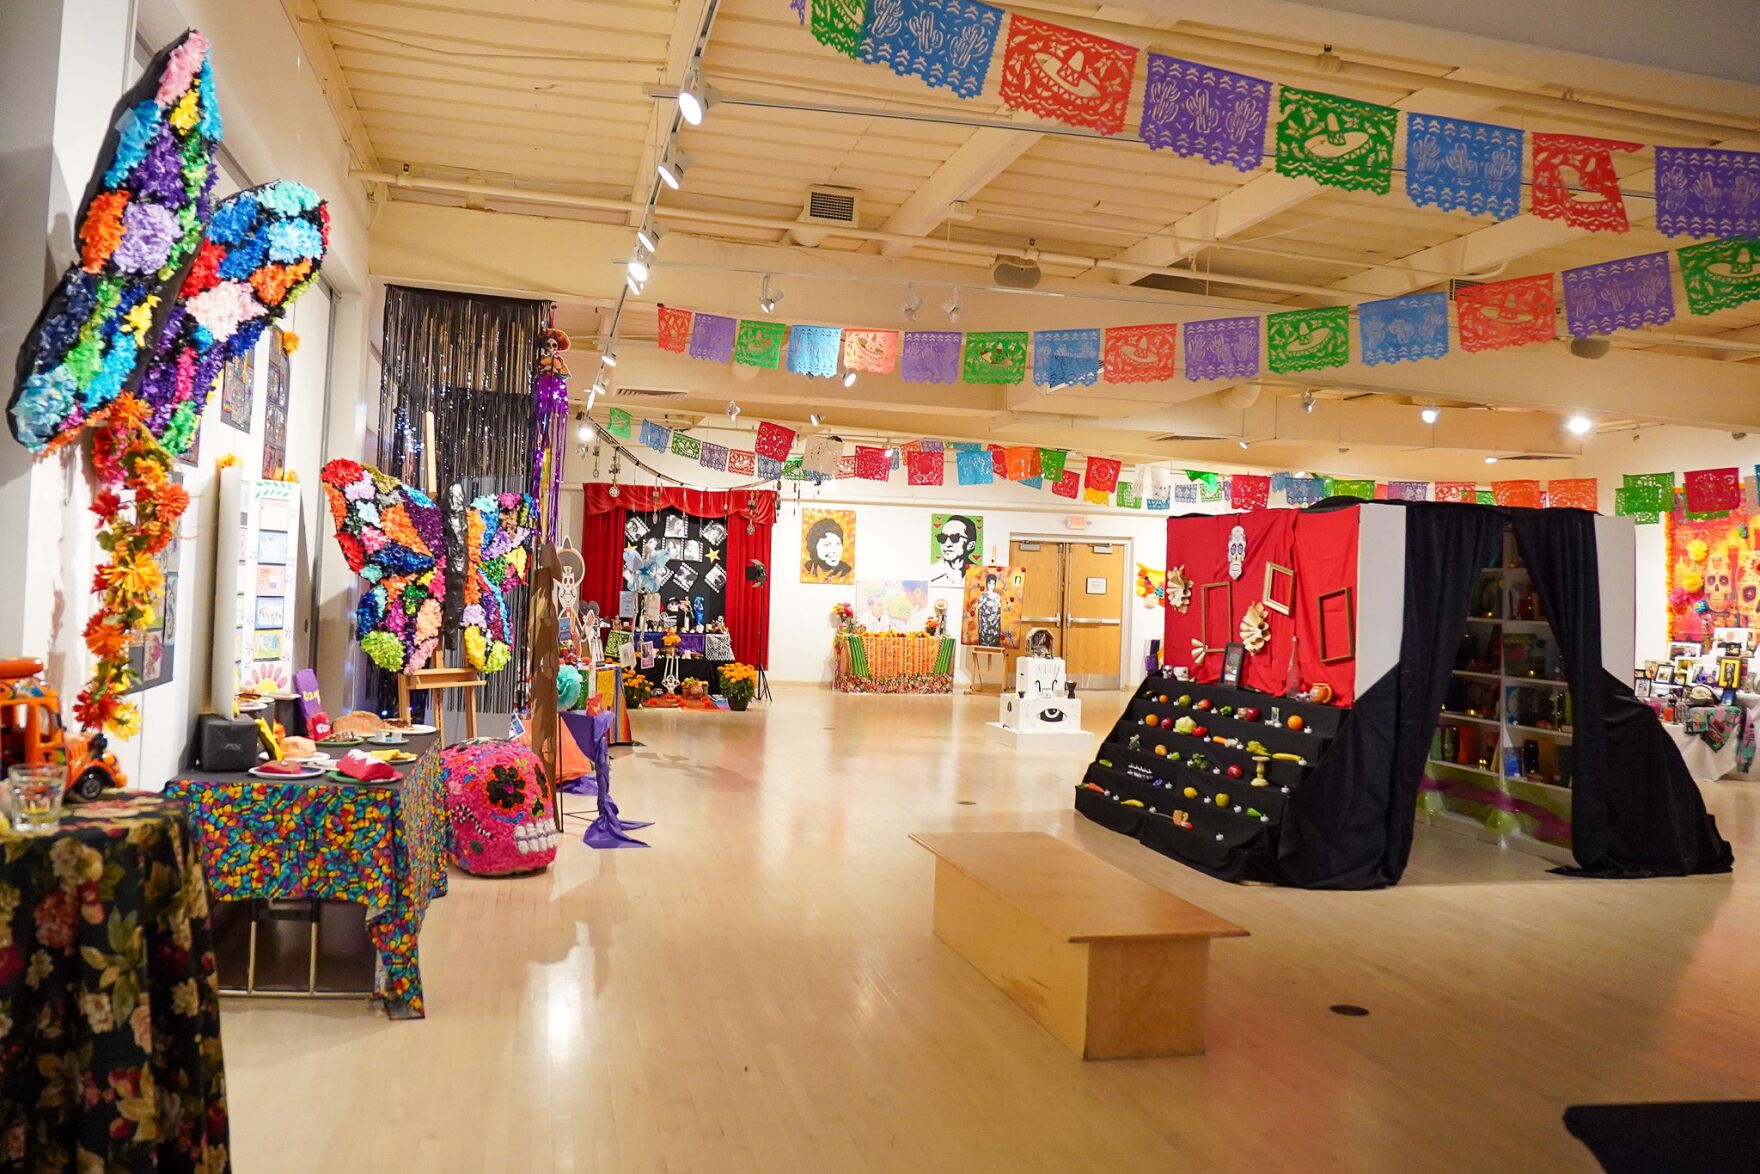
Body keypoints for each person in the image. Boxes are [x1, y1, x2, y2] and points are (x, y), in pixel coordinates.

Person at [929, 515, 978, 586]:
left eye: (955, 538)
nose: (947, 544)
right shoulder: (931, 574)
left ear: (970, 545)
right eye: (943, 538)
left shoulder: (979, 574)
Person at [803, 515, 852, 582]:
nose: (835, 550)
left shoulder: (847, 573)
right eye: (827, 545)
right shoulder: (805, 570)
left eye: (838, 543)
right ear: (814, 547)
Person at [976, 572, 1004, 647]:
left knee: (994, 645)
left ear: (995, 584)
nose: (991, 586)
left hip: (994, 628)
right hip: (984, 627)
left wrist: (997, 629)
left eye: (993, 583)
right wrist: (980, 628)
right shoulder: (982, 596)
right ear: (986, 584)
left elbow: (999, 614)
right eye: (989, 583)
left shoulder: (997, 597)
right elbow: (980, 613)